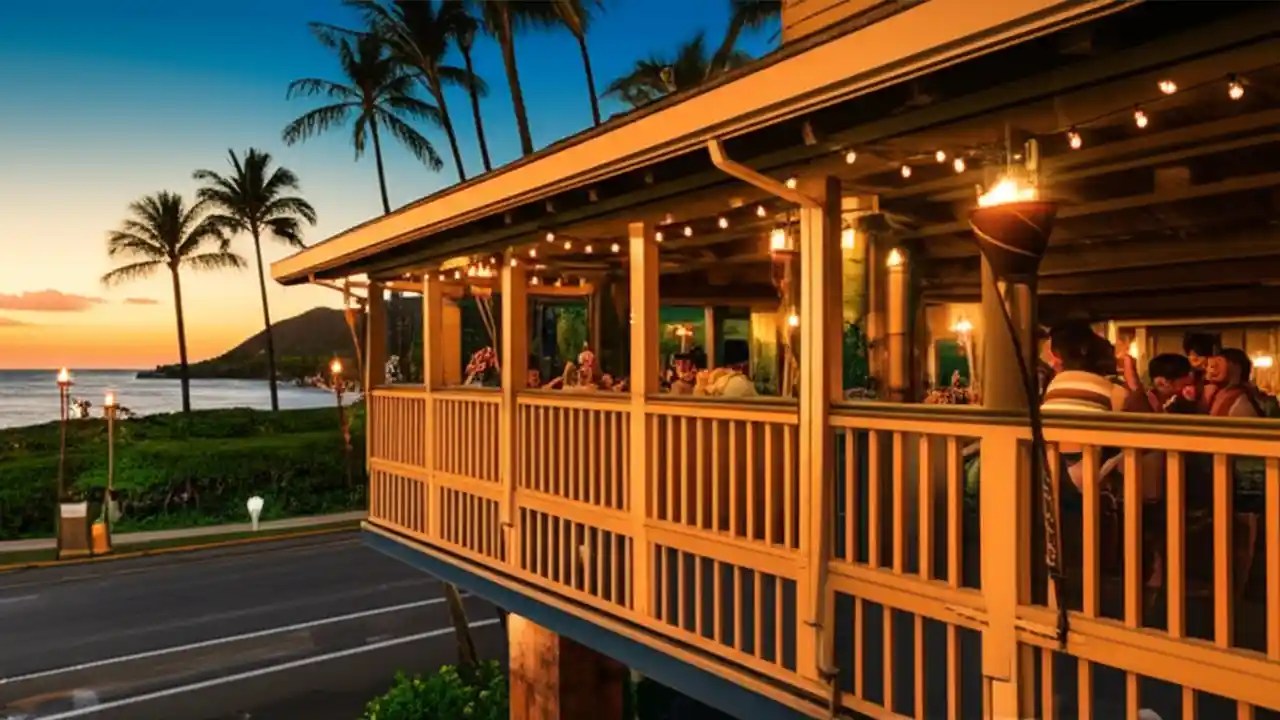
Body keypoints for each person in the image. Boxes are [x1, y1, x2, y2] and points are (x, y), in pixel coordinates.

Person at [1123, 353, 1196, 414]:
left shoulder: (1175, 404)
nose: (1189, 383)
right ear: (1162, 382)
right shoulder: (1138, 402)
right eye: (1184, 376)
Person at [1209, 348, 1264, 417]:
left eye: (1219, 362)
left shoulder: (1241, 402)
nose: (1213, 367)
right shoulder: (1215, 394)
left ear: (1236, 367)